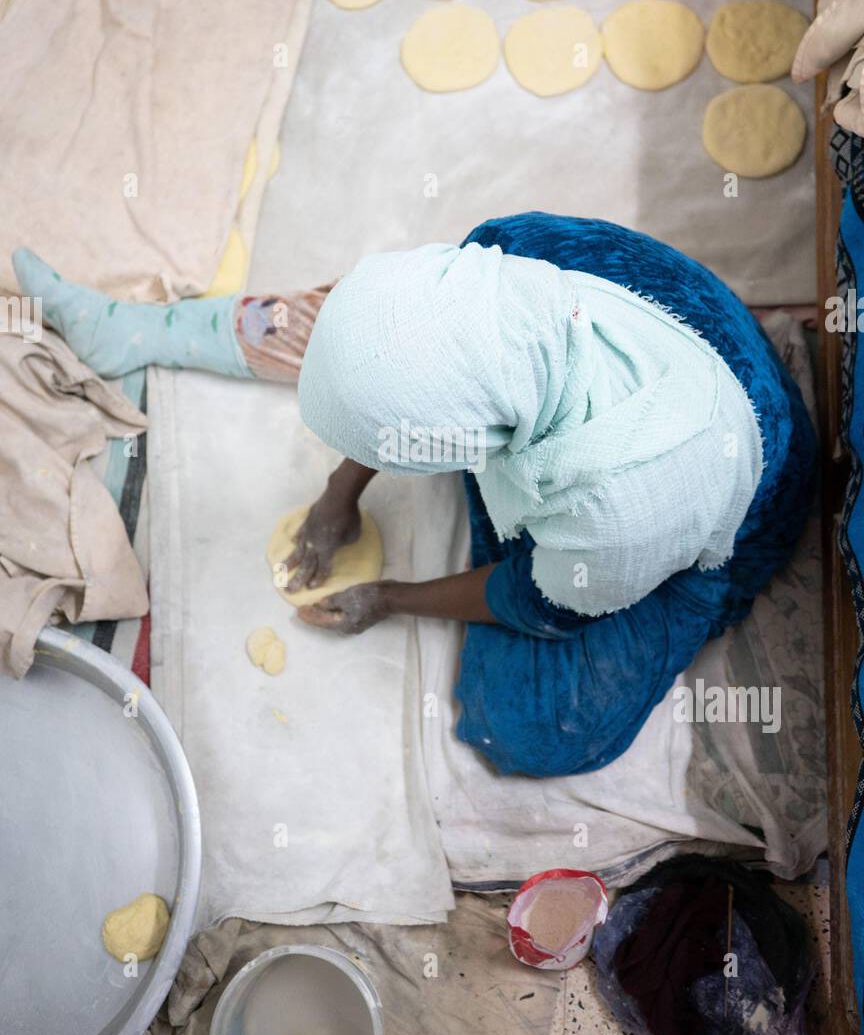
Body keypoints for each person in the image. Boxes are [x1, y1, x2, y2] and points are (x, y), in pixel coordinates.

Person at [12, 212, 817, 777]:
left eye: (387, 449)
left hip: (728, 486)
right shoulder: (508, 252)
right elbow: (397, 355)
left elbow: (538, 601)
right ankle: (145, 330)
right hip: (670, 328)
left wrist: (389, 598)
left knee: (530, 725)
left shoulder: (625, 507)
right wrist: (340, 489)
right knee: (368, 322)